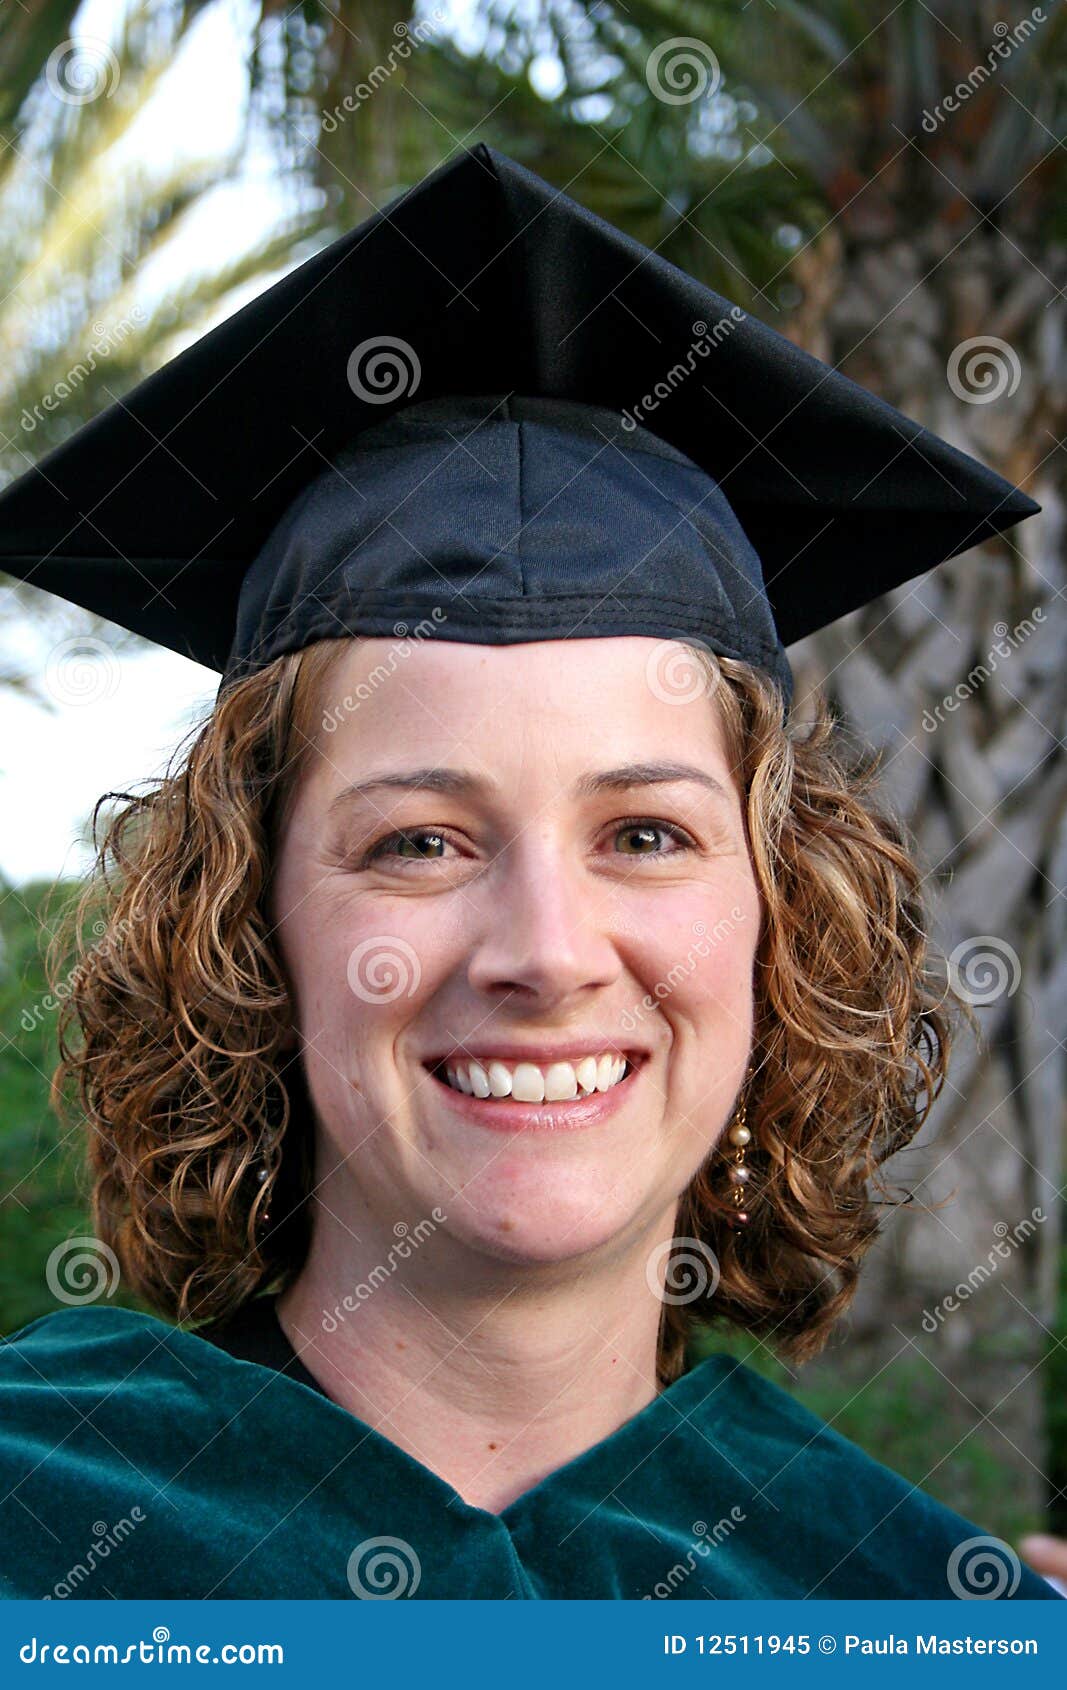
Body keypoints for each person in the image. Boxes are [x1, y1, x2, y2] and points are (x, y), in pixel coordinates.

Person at [0, 145, 1060, 1602]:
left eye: (645, 833)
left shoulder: (900, 1608)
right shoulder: (39, 1531)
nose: (548, 951)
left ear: (780, 915)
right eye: (420, 841)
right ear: (248, 927)